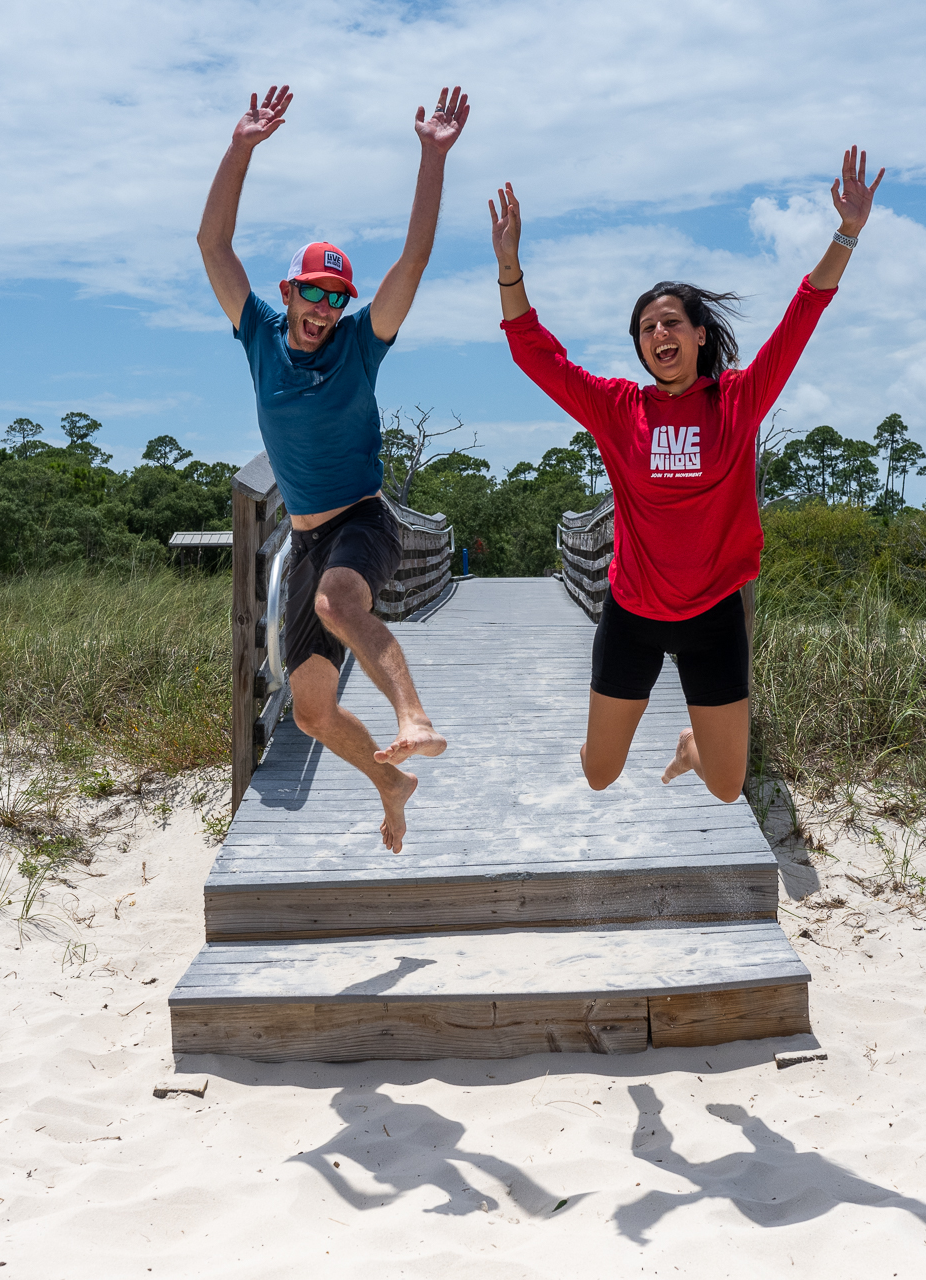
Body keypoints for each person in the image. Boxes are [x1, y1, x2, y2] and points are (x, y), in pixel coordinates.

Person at [487, 147, 883, 802]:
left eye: (671, 322)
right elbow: (535, 351)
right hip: (634, 614)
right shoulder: (619, 408)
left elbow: (803, 312)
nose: (659, 333)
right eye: (646, 328)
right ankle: (614, 732)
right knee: (599, 773)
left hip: (713, 618)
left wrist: (847, 233)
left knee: (728, 787)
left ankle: (693, 742)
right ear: (640, 347)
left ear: (699, 336)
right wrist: (509, 267)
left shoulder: (737, 400)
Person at [198, 84, 469, 851]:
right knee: (312, 710)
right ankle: (391, 779)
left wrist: (432, 157)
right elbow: (213, 247)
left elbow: (414, 256)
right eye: (311, 294)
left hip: (363, 522)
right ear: (288, 292)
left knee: (336, 606)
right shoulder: (259, 337)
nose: (322, 307)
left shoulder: (360, 344)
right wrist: (240, 149)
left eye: (335, 297)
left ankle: (412, 716)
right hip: (306, 538)